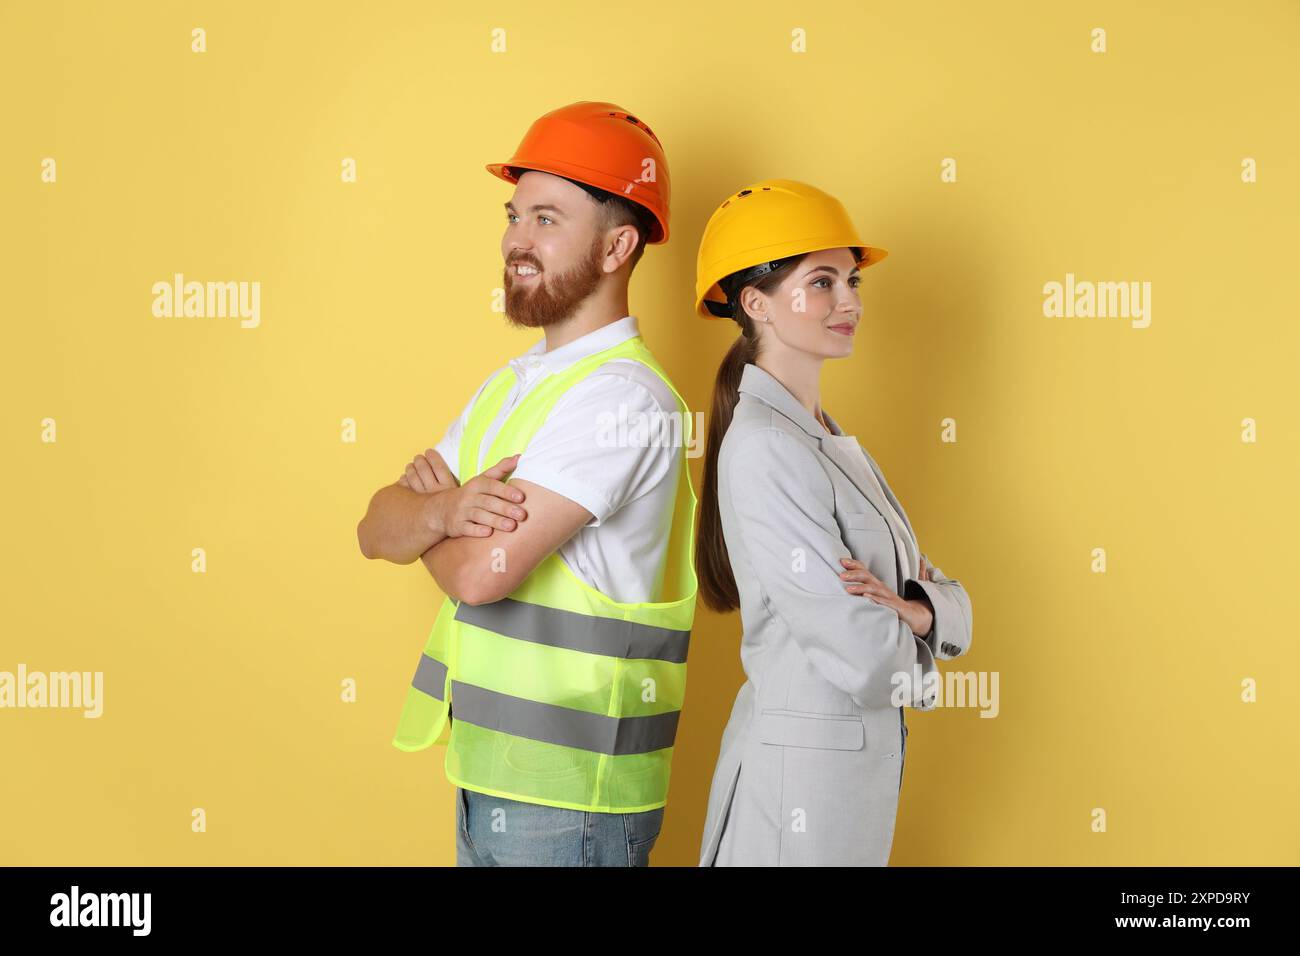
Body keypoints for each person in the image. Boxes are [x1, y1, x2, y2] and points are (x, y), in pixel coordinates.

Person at [356, 102, 698, 867]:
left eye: (547, 219)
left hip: (576, 795)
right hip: (489, 775)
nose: (515, 239)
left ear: (617, 246)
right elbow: (375, 527)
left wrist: (433, 527)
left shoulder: (624, 400)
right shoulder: (509, 387)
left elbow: (482, 574)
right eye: (515, 216)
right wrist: (448, 507)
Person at [692, 179, 974, 866]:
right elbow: (864, 651)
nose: (850, 301)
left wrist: (919, 611)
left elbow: (945, 602)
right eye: (822, 283)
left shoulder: (826, 438)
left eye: (851, 280)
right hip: (798, 799)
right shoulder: (764, 445)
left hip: (839, 788)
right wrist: (918, 616)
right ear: (756, 302)